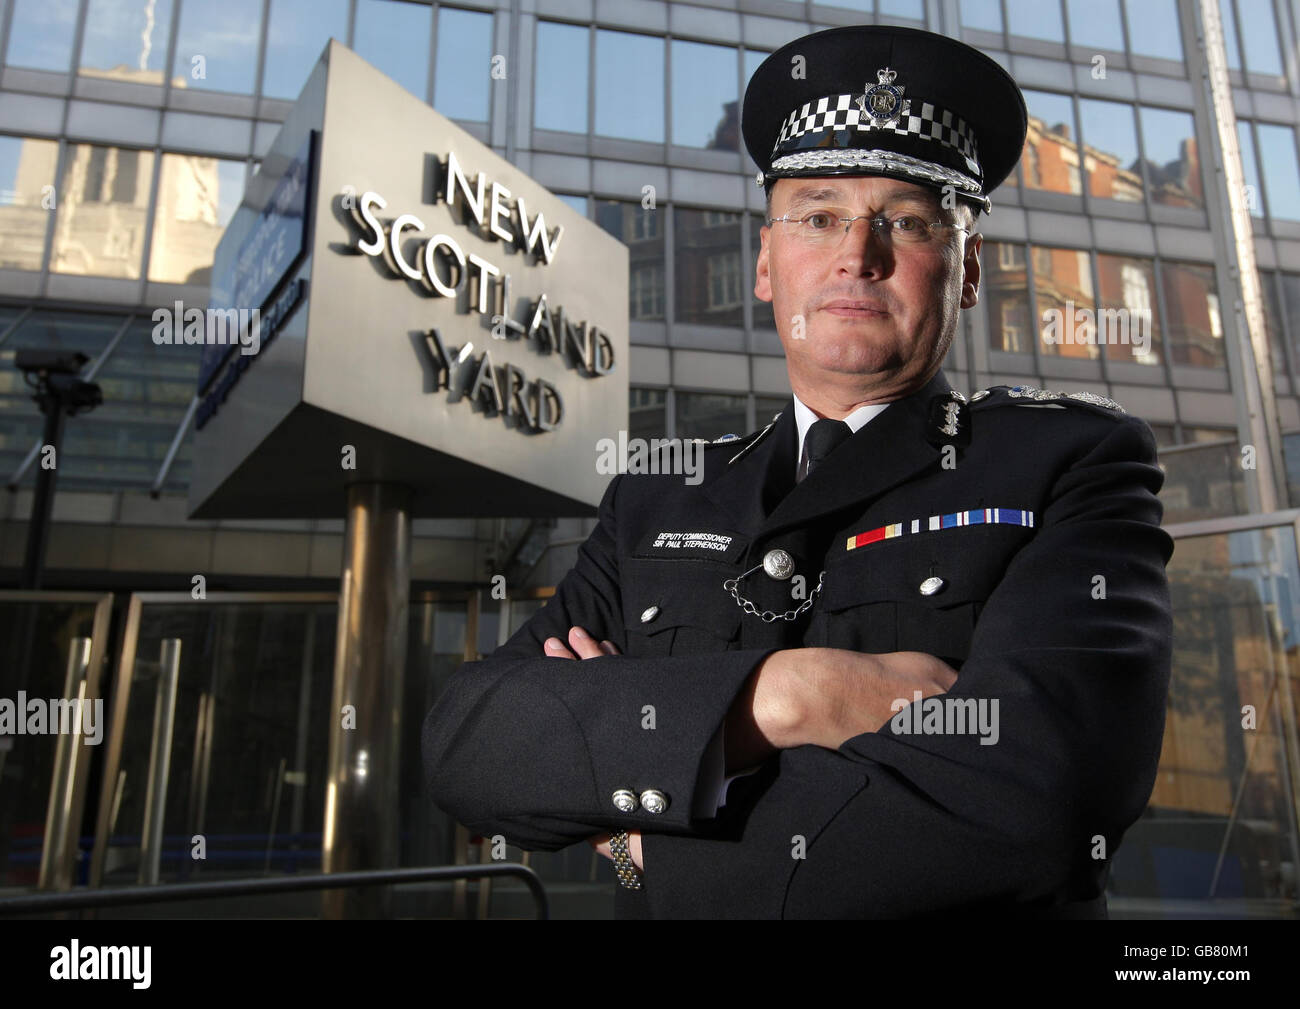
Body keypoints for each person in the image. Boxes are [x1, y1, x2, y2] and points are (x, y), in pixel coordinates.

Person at [421, 23, 1173, 919]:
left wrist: (649, 846)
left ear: (968, 269)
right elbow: (470, 744)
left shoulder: (1069, 466)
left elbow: (1033, 802)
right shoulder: (655, 501)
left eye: (907, 219)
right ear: (767, 264)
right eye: (818, 215)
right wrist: (784, 697)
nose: (859, 253)